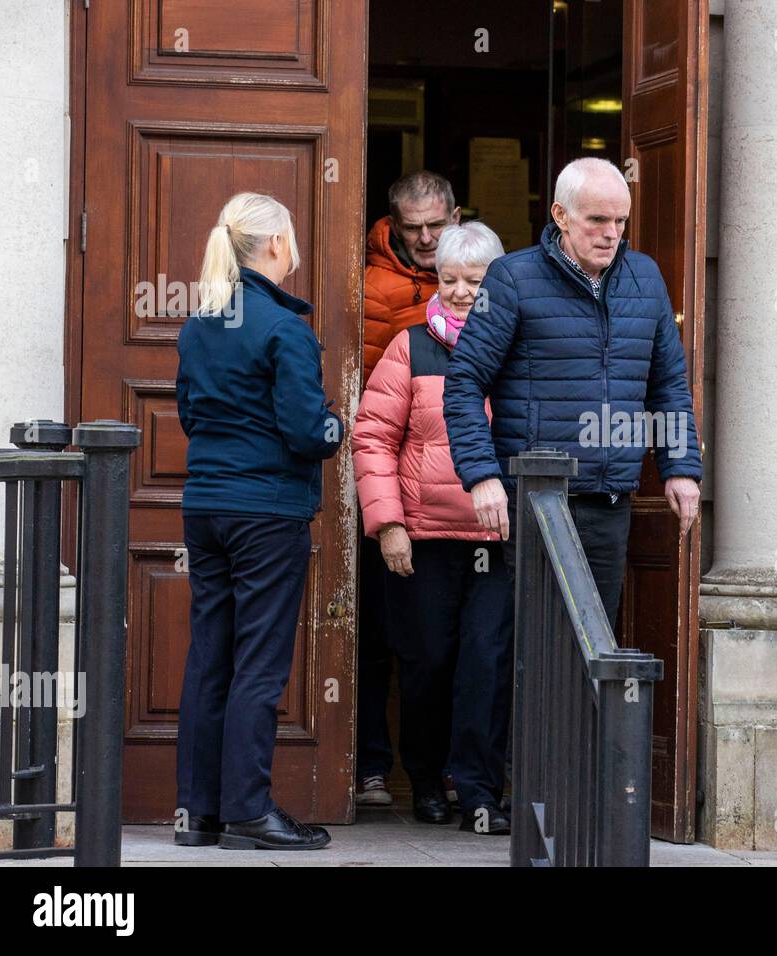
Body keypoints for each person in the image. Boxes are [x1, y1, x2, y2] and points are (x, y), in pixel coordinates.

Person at [442, 158, 703, 628]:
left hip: (609, 499)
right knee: (541, 645)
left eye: (620, 221)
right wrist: (481, 476)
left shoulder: (645, 278)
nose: (611, 233)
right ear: (561, 216)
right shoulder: (511, 278)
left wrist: (680, 467)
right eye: (597, 220)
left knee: (595, 647)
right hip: (538, 499)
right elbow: (464, 381)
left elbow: (667, 385)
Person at [174, 192, 342, 850]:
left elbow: (191, 417)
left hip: (205, 507)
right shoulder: (283, 329)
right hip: (267, 512)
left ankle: (199, 812)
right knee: (260, 665)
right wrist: (334, 425)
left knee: (210, 658)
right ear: (275, 245)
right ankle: (248, 811)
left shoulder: (199, 324)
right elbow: (307, 431)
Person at [352, 222, 514, 834]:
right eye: (449, 280)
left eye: (474, 281)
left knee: (486, 662)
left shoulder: (515, 347)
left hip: (493, 539)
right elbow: (371, 438)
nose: (460, 292)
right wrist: (388, 524)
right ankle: (424, 781)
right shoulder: (409, 346)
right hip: (422, 537)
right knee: (424, 663)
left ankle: (477, 789)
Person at [356, 170, 461, 808]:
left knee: (448, 644)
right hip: (383, 475)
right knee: (375, 631)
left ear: (455, 218)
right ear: (392, 225)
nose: (424, 239)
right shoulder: (368, 284)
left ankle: (451, 772)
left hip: (458, 490)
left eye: (436, 225)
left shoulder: (489, 285)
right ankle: (368, 765)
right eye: (412, 227)